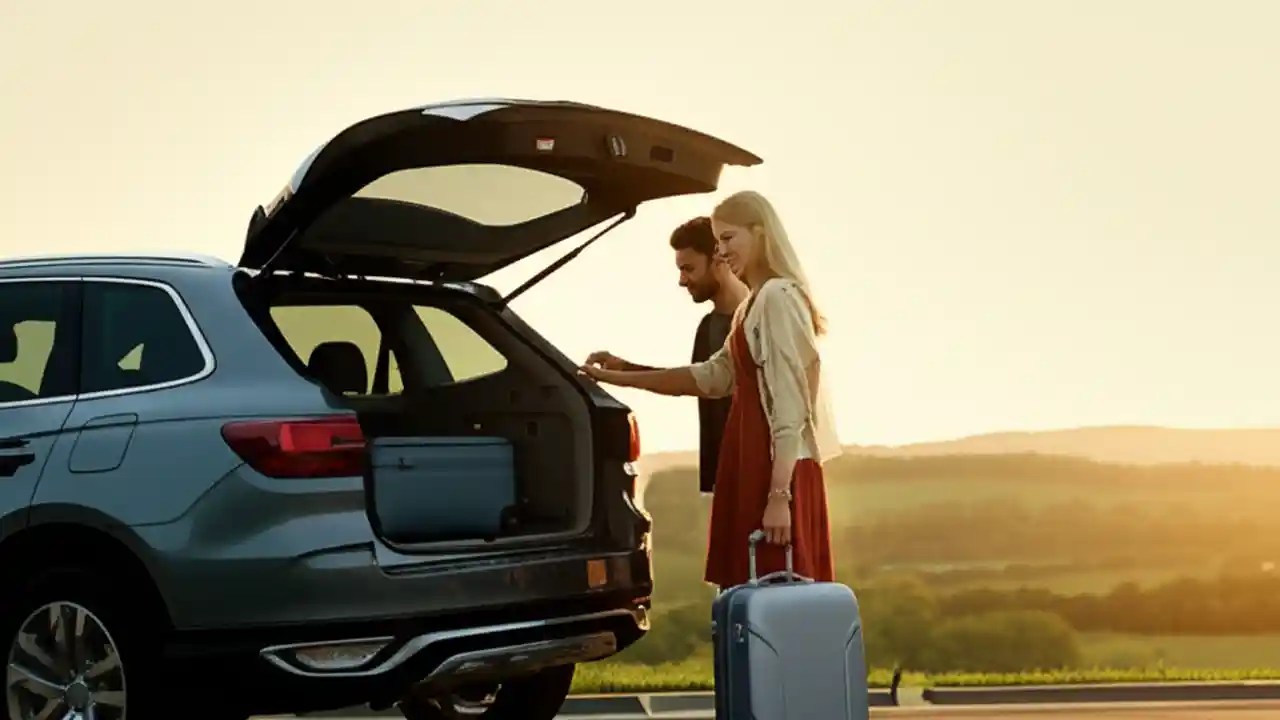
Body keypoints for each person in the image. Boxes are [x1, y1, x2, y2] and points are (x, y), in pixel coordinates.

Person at [581, 191, 841, 589]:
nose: (722, 252)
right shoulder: (752, 305)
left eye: (729, 239)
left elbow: (791, 404)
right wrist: (619, 377)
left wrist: (779, 496)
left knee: (775, 589)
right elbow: (710, 378)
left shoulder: (777, 298)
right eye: (718, 241)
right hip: (749, 462)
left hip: (773, 470)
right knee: (749, 591)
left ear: (760, 233)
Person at [586, 216, 748, 494]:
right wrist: (623, 367)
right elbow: (691, 381)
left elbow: (694, 382)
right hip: (726, 480)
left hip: (756, 477)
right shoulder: (709, 327)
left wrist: (613, 376)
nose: (682, 280)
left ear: (718, 259)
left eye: (689, 269)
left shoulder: (754, 321)